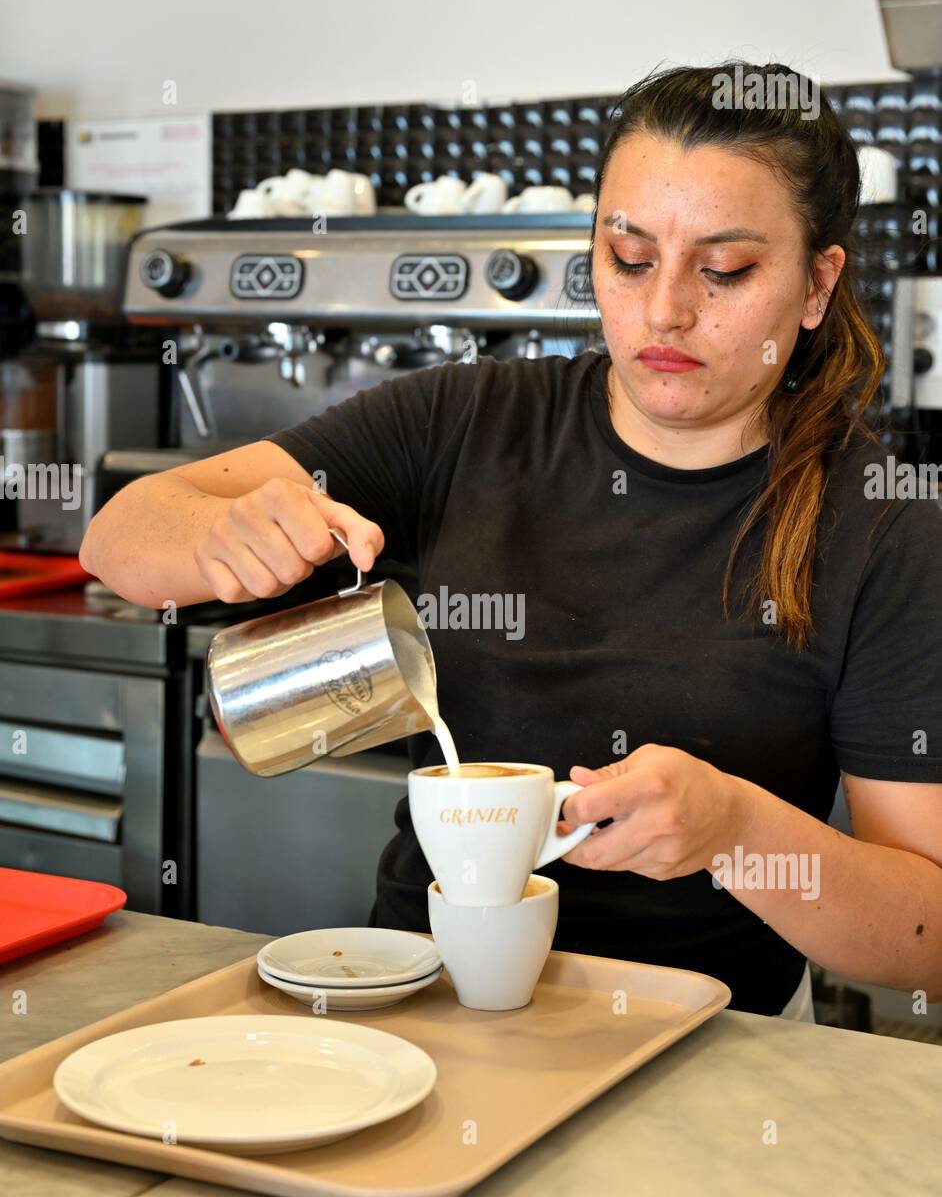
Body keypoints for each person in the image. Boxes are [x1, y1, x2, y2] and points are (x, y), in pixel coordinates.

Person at [81, 61, 942, 1020]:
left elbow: (931, 939)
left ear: (818, 284)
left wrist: (735, 832)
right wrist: (219, 530)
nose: (666, 311)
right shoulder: (466, 420)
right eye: (628, 257)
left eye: (725, 270)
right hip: (417, 1012)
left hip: (704, 1050)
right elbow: (117, 536)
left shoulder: (880, 523)